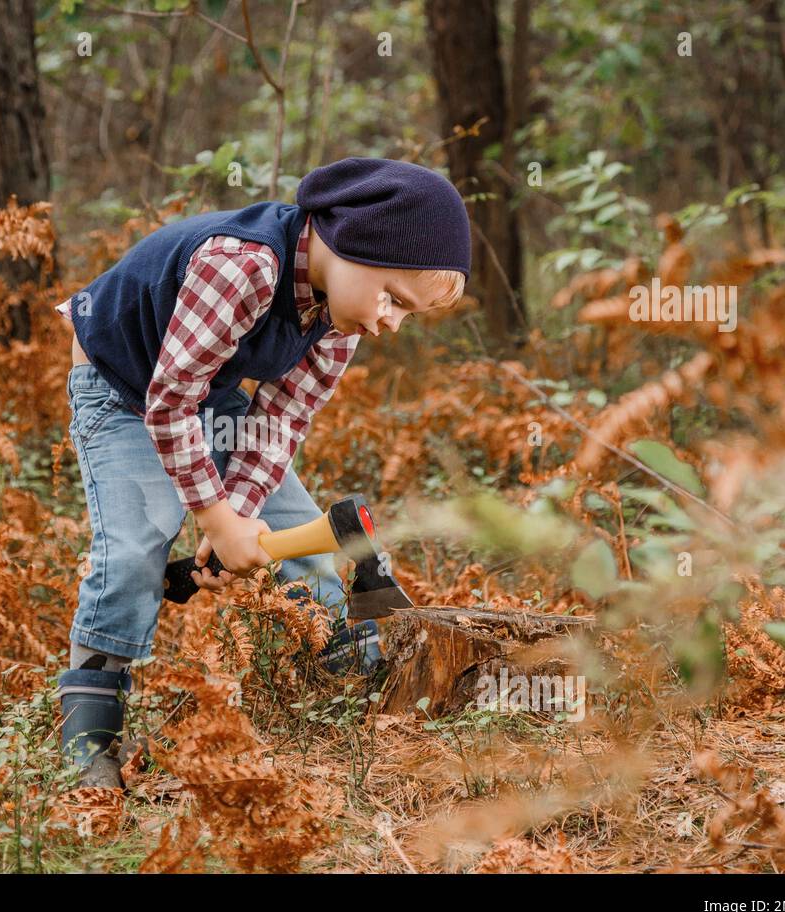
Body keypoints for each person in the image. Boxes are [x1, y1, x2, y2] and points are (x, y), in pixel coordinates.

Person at [53, 156, 472, 788]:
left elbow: (277, 424)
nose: (391, 321)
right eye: (392, 298)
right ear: (353, 242)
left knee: (298, 528)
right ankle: (91, 735)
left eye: (407, 313)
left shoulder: (339, 321)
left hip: (203, 388)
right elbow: (169, 402)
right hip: (121, 387)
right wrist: (214, 517)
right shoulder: (244, 265)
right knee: (137, 546)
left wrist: (239, 519)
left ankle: (349, 677)